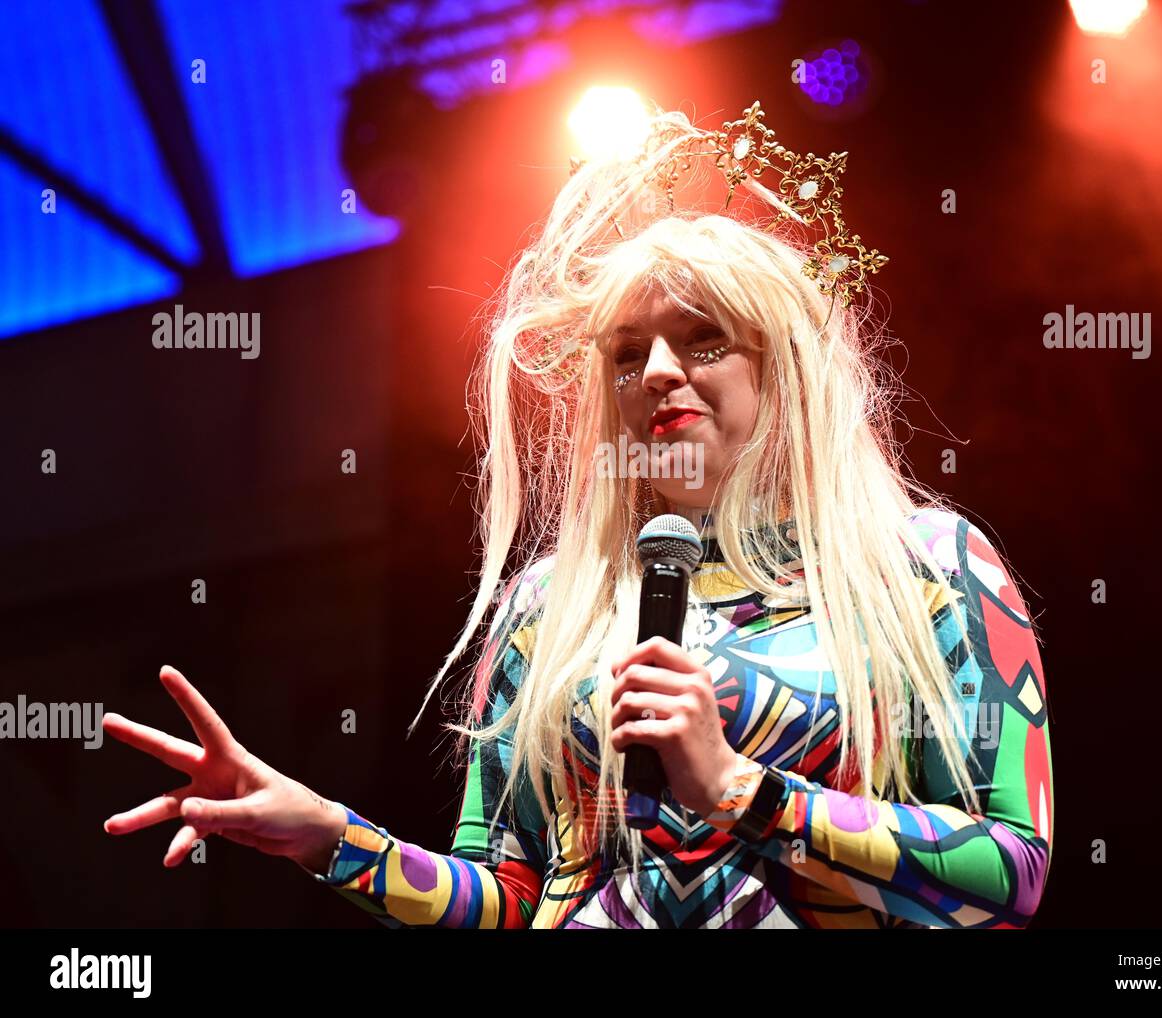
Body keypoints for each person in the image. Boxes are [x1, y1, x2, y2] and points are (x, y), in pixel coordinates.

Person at [102, 100, 1054, 928]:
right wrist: (329, 836)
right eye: (629, 353)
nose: (659, 373)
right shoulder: (546, 607)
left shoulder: (929, 567)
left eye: (704, 338)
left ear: (790, 368)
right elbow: (513, 899)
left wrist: (740, 789)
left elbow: (1011, 874)